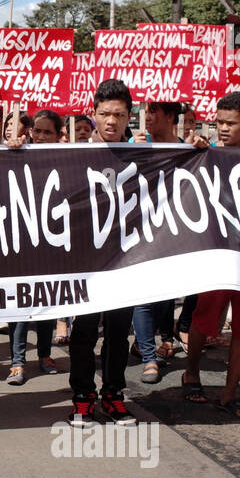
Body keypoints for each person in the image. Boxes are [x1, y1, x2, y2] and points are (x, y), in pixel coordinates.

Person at [180, 92, 240, 419]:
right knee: (205, 319)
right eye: (219, 123)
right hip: (216, 257)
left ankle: (230, 394)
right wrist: (190, 150)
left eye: (231, 124)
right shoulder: (204, 155)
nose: (223, 129)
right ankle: (191, 372)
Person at [68, 80, 138, 429]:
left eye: (119, 115)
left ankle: (113, 395)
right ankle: (82, 398)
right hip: (85, 263)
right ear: (93, 114)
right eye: (105, 114)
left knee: (117, 331)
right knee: (83, 332)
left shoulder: (145, 155)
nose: (111, 121)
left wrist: (198, 146)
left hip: (125, 262)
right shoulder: (72, 154)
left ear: (129, 117)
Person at [8, 109, 64, 383]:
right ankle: (17, 361)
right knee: (19, 306)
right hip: (21, 243)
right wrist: (11, 149)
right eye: (37, 131)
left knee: (46, 304)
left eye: (47, 132)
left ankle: (44, 353)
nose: (40, 137)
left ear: (58, 135)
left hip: (51, 243)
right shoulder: (18, 155)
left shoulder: (65, 161)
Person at [130, 102, 184, 383]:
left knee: (165, 296)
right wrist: (132, 151)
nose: (147, 117)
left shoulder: (187, 149)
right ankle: (150, 357)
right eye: (145, 111)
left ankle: (150, 340)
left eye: (153, 111)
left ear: (171, 116)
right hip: (140, 233)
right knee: (142, 297)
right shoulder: (136, 144)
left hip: (173, 234)